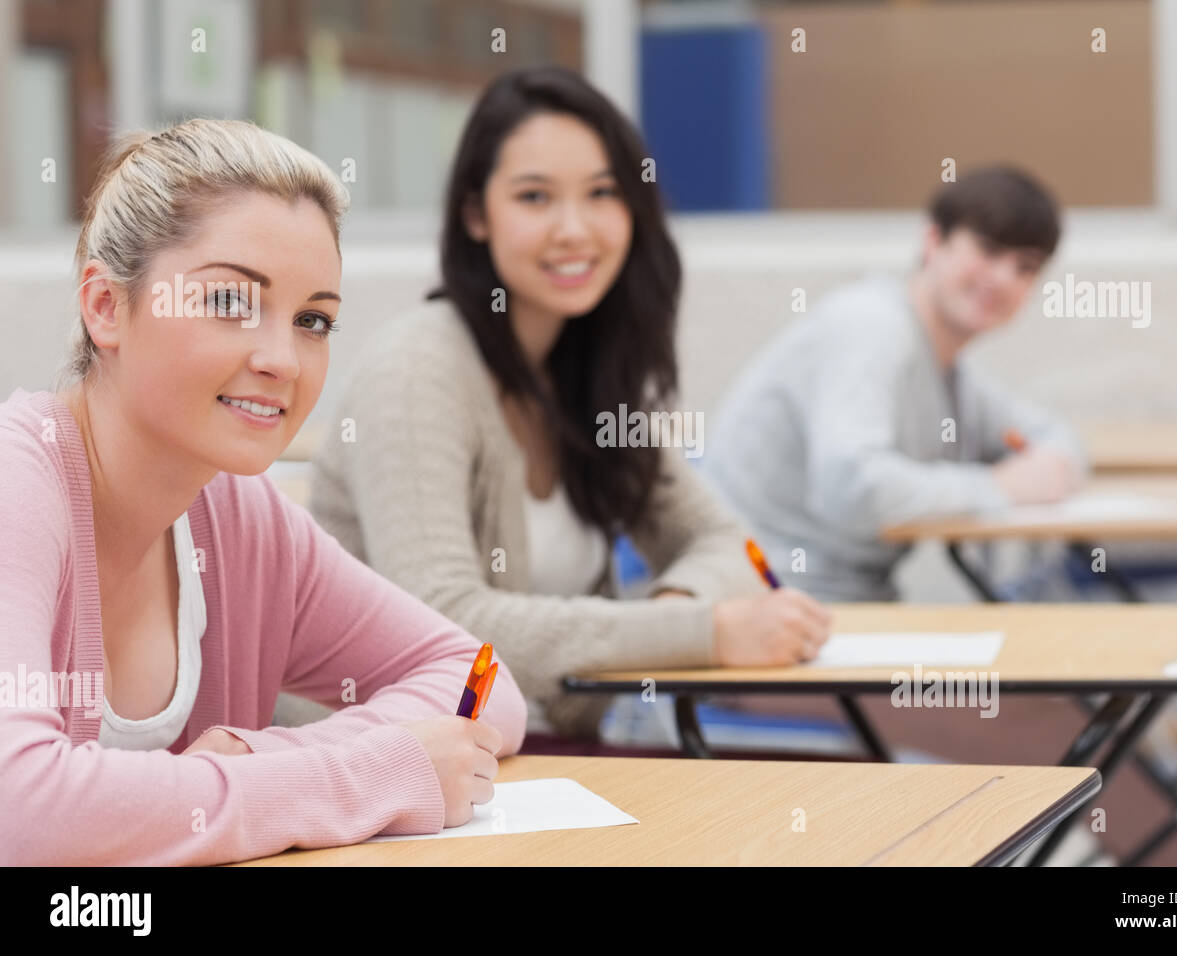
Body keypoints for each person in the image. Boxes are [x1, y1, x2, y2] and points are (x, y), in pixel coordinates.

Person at [0, 118, 526, 865]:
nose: (283, 359)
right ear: (106, 306)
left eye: (314, 320)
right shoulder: (18, 482)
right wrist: (365, 770)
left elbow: (480, 679)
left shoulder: (239, 518)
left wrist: (263, 755)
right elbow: (20, 812)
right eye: (228, 303)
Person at [309, 66, 831, 741]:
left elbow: (732, 545)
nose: (574, 228)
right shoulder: (417, 370)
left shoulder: (589, 371)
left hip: (548, 755)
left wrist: (679, 609)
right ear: (475, 214)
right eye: (535, 197)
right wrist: (699, 631)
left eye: (602, 194)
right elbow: (443, 620)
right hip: (387, 772)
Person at [704, 166, 1088, 601]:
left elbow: (1051, 435)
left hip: (839, 602)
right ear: (933, 242)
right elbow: (854, 488)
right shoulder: (871, 328)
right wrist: (999, 487)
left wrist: (1050, 463)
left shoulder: (952, 370)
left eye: (1026, 267)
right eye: (988, 249)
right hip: (764, 598)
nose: (1003, 278)